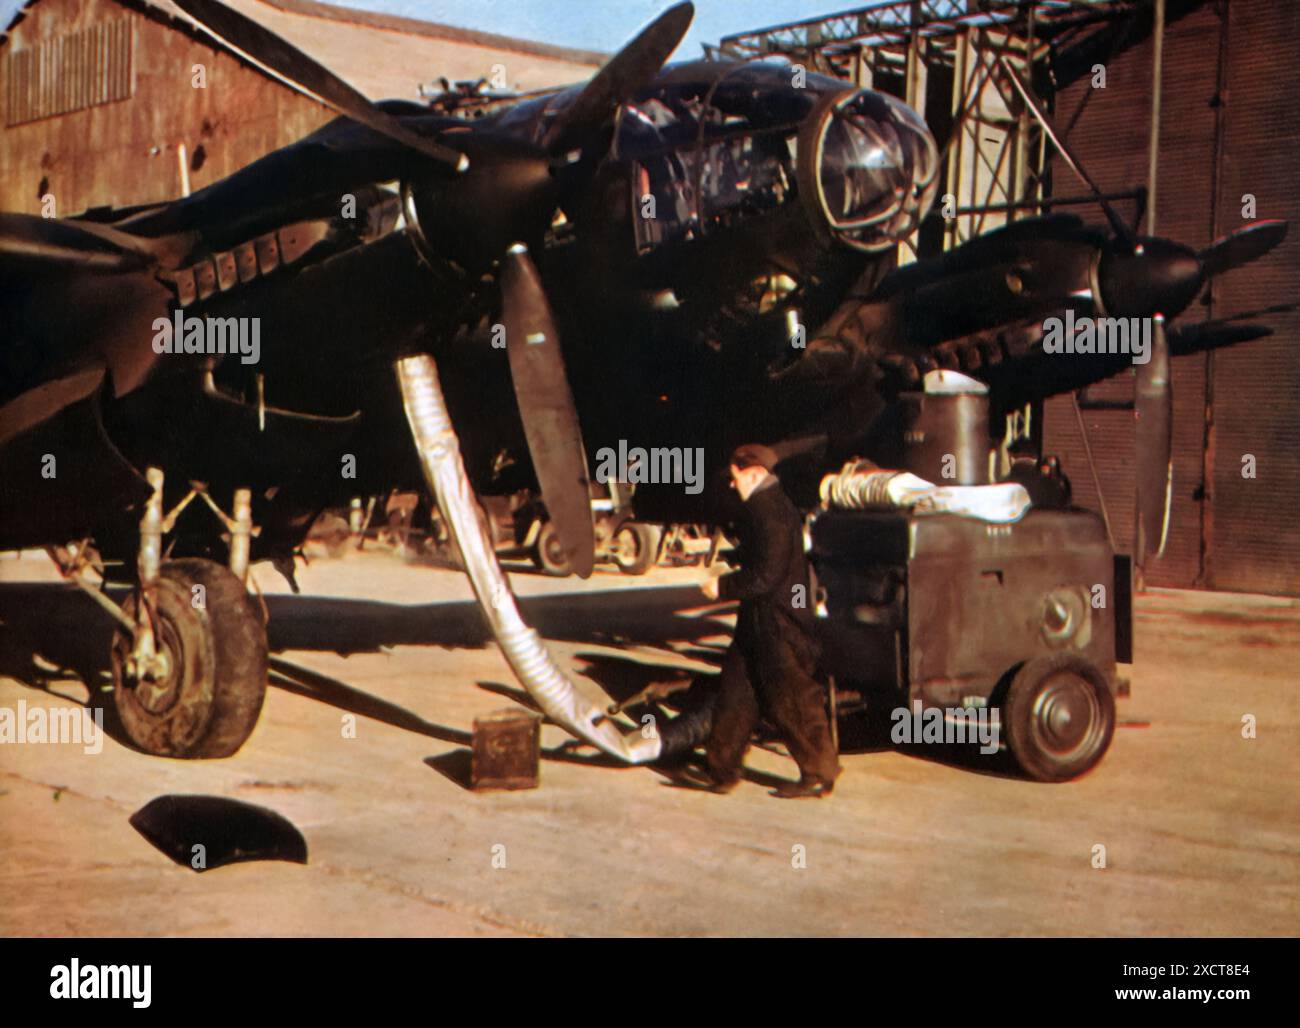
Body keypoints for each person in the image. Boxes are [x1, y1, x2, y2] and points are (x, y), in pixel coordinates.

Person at [689, 444, 842, 798]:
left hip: (776, 620)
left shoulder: (765, 509)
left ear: (754, 474)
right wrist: (735, 556)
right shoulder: (775, 504)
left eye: (735, 477)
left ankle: (819, 772)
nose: (731, 485)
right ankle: (722, 767)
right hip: (760, 617)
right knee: (736, 691)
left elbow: (766, 575)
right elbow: (767, 555)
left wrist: (721, 585)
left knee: (790, 697)